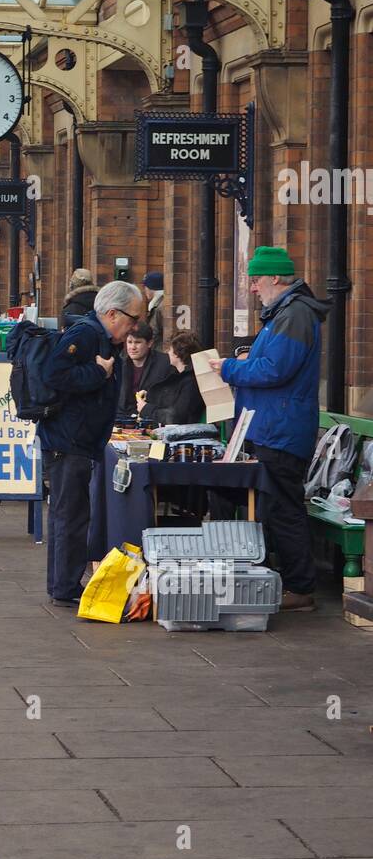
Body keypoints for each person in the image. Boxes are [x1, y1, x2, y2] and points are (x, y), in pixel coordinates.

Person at [208, 247, 330, 611]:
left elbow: (275, 371)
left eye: (257, 279)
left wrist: (230, 368)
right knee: (274, 506)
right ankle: (289, 579)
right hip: (273, 426)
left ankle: (300, 587)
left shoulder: (293, 316)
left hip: (280, 429)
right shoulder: (286, 314)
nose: (254, 287)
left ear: (276, 278)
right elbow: (271, 363)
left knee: (283, 509)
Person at [40, 279, 145, 606]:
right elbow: (53, 375)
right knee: (70, 516)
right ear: (112, 314)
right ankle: (66, 588)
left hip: (76, 438)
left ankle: (63, 584)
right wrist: (97, 374)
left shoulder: (95, 335)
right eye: (132, 320)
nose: (133, 329)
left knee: (67, 514)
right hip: (68, 438)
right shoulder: (85, 334)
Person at [140, 329, 204, 427]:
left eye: (170, 349)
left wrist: (146, 409)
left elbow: (176, 417)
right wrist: (150, 396)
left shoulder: (191, 381)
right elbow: (170, 399)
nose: (168, 352)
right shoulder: (180, 375)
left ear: (177, 353)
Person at [117, 321, 173, 419]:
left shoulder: (165, 363)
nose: (132, 347)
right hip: (122, 420)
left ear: (150, 343)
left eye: (138, 342)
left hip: (151, 419)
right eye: (129, 342)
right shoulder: (119, 363)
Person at [142, 271, 165, 349]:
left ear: (150, 288)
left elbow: (154, 334)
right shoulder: (160, 304)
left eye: (145, 287)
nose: (145, 291)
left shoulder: (159, 307)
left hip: (160, 353)